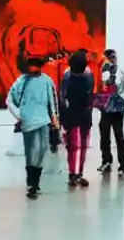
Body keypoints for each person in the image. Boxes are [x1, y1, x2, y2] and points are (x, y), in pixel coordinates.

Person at [6, 57, 59, 200]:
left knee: (42, 150)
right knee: (31, 152)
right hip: (28, 121)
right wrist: (19, 115)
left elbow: (52, 100)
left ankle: (35, 182)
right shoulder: (22, 81)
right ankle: (32, 183)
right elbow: (9, 99)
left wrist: (55, 118)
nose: (34, 69)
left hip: (44, 120)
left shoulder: (47, 80)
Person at [59, 50, 96, 188]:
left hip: (82, 116)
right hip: (73, 116)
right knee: (75, 146)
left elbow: (89, 96)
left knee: (81, 146)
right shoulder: (69, 76)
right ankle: (74, 173)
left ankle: (77, 173)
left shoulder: (86, 76)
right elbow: (63, 98)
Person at [97, 49, 124, 174]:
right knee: (105, 136)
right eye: (110, 58)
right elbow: (102, 87)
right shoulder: (103, 71)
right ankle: (106, 161)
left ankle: (122, 164)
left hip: (116, 109)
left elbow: (114, 85)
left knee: (119, 136)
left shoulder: (119, 72)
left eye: (113, 58)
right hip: (106, 108)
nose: (112, 60)